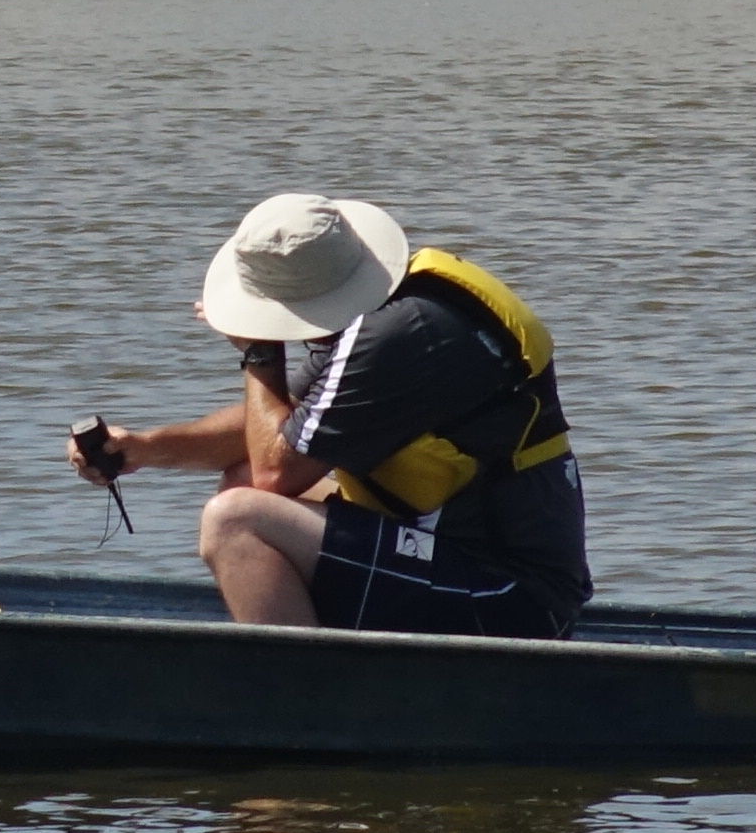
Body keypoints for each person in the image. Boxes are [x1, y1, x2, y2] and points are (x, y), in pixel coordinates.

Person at [66, 190, 589, 638]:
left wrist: (258, 351)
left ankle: (305, 691)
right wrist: (143, 449)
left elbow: (276, 473)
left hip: (512, 602)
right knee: (240, 480)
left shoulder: (394, 342)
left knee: (237, 519)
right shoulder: (382, 312)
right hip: (457, 552)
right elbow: (276, 433)